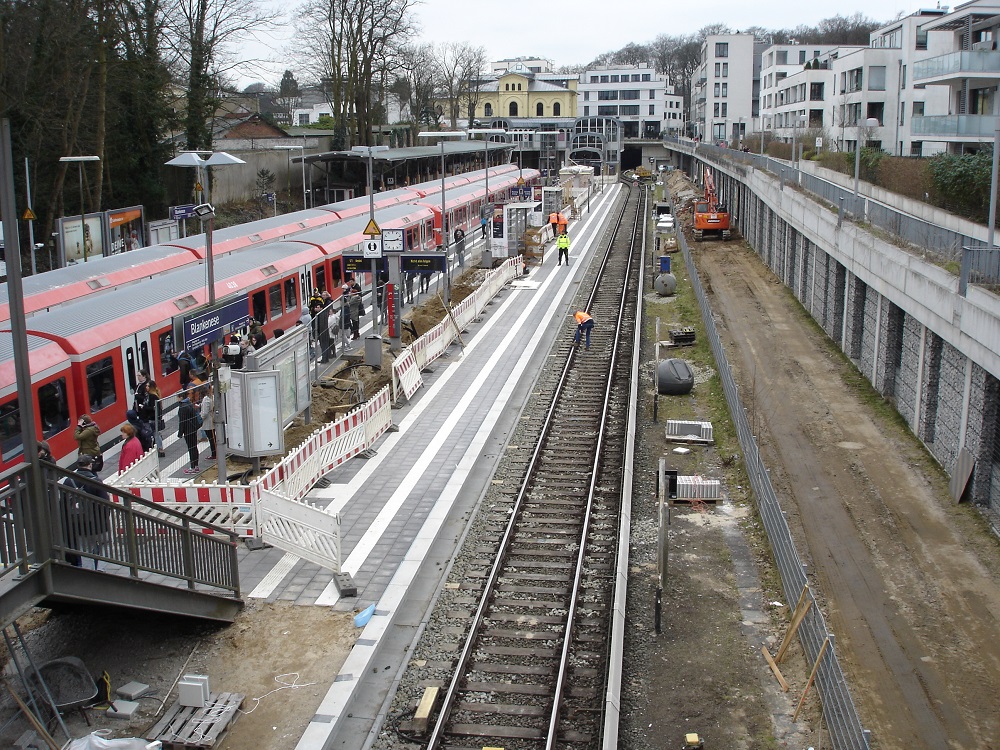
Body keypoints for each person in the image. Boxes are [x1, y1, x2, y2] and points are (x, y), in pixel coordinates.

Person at [60, 454, 110, 568]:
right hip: (97, 524)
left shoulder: (68, 481)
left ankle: (88, 570)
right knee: (104, 544)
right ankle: (100, 569)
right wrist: (105, 519)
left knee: (85, 549)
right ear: (90, 465)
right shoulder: (96, 481)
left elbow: (63, 504)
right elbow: (105, 502)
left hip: (78, 523)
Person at [177, 389, 200, 474]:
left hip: (188, 430)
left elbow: (182, 422)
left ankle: (192, 467)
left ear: (181, 397)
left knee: (191, 448)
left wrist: (180, 433)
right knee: (194, 447)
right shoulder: (189, 404)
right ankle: (196, 465)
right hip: (193, 428)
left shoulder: (182, 407)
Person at [141, 380, 166, 457]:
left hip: (153, 418)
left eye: (148, 386)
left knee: (155, 433)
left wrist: (144, 407)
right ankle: (158, 447)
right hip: (152, 418)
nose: (146, 387)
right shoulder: (150, 395)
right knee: (156, 433)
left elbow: (153, 408)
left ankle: (160, 448)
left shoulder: (153, 396)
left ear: (151, 387)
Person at [200, 385, 216, 461]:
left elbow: (205, 412)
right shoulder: (212, 397)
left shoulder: (206, 399)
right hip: (212, 419)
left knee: (211, 438)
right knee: (213, 438)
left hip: (208, 422)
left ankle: (214, 453)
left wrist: (201, 418)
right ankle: (215, 453)